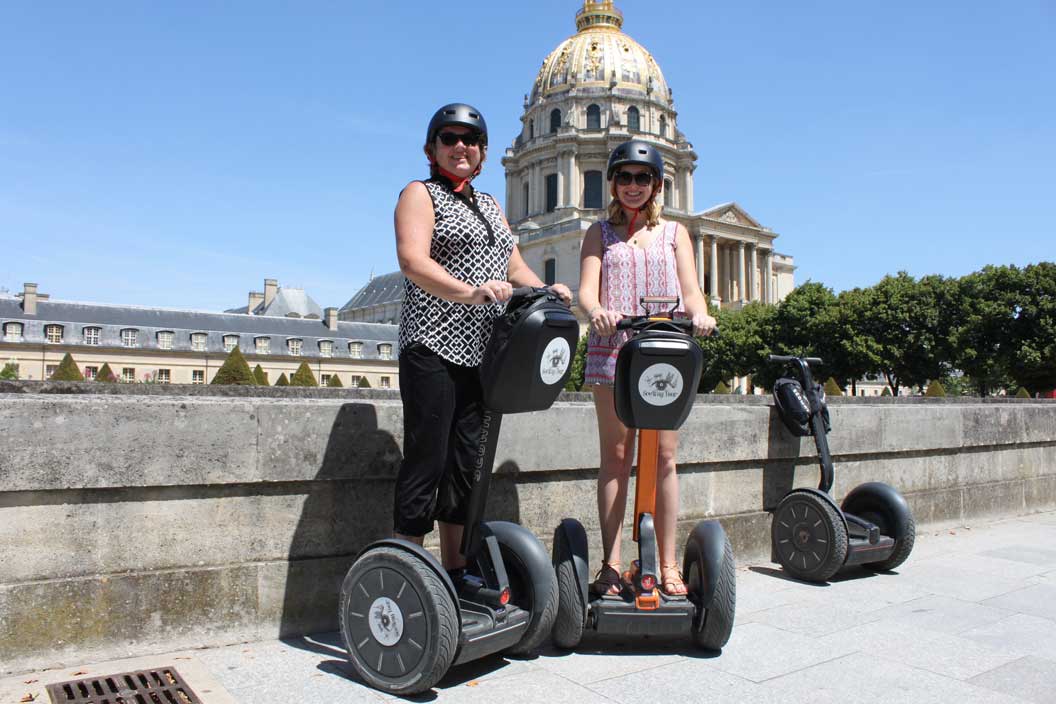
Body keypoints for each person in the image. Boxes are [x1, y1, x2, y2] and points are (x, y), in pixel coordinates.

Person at [392, 103, 572, 574]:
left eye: (469, 140)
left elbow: (513, 267)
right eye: (449, 139)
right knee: (426, 460)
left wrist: (547, 290)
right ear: (431, 148)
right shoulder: (420, 194)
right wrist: (469, 292)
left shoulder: (491, 205)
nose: (460, 147)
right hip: (431, 344)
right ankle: (406, 570)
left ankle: (454, 571)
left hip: (482, 354)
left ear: (483, 153)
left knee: (466, 466)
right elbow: (413, 262)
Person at [577, 139, 716, 597]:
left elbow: (691, 290)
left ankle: (669, 564)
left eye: (643, 178)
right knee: (616, 458)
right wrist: (596, 310)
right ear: (612, 183)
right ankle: (612, 564)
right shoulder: (598, 233)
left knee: (666, 458)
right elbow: (586, 291)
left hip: (663, 352)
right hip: (614, 349)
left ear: (657, 185)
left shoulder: (677, 233)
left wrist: (700, 313)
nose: (633, 186)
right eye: (624, 178)